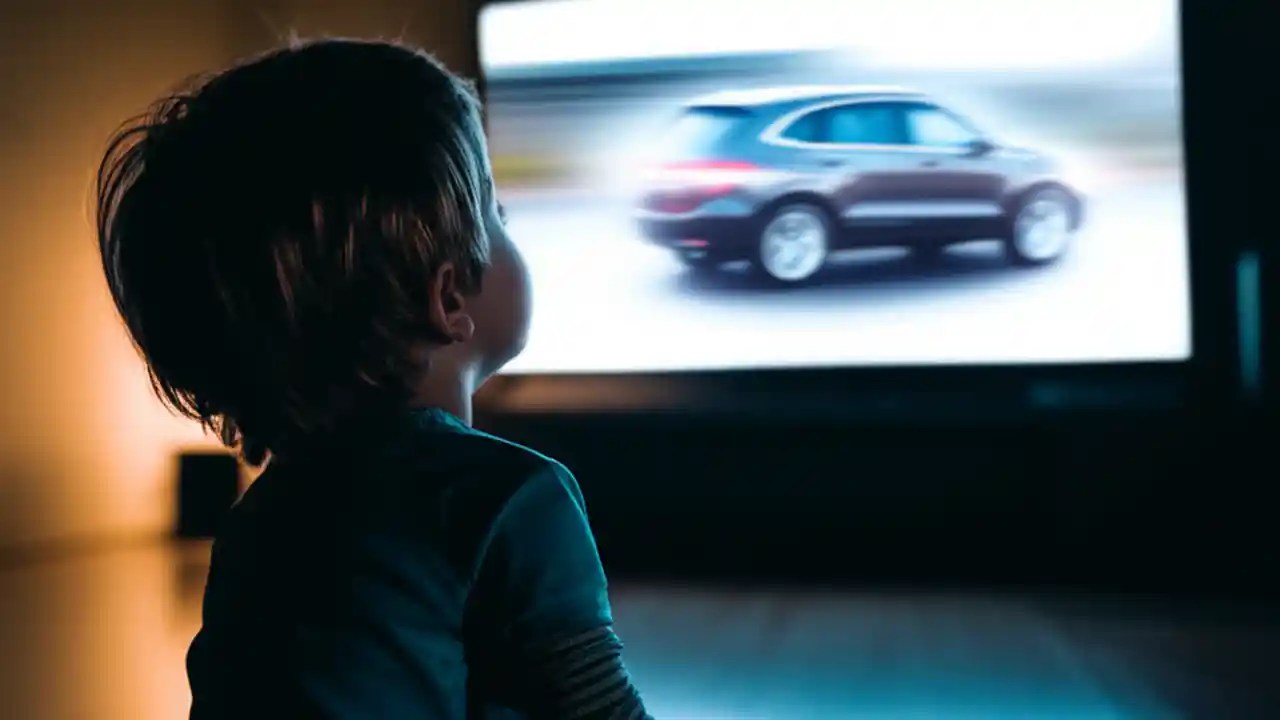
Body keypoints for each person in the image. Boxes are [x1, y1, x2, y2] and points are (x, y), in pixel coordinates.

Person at [96, 38, 651, 720]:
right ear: (449, 298)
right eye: (497, 212)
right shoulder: (509, 500)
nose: (509, 226)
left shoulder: (259, 521)